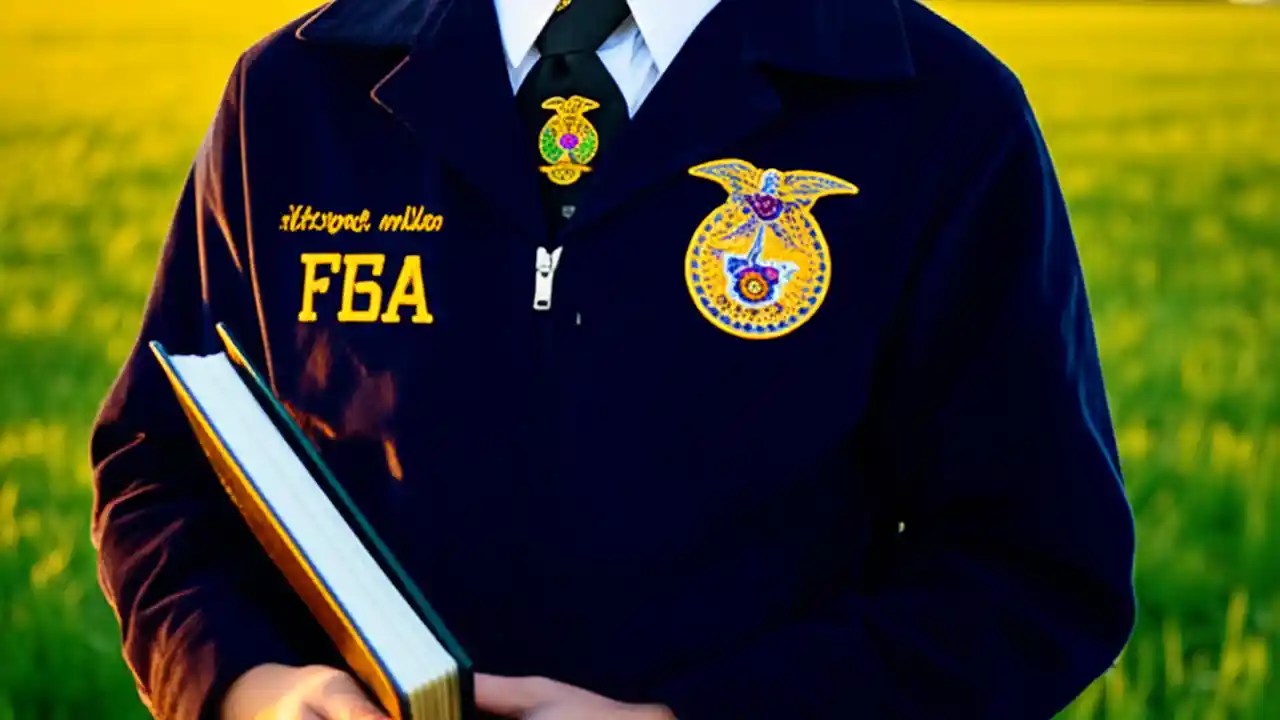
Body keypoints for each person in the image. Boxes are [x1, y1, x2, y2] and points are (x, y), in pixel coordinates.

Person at [90, 0, 1138, 717]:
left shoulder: (937, 116)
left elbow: (1031, 571)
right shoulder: (296, 93)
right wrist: (245, 682)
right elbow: (163, 461)